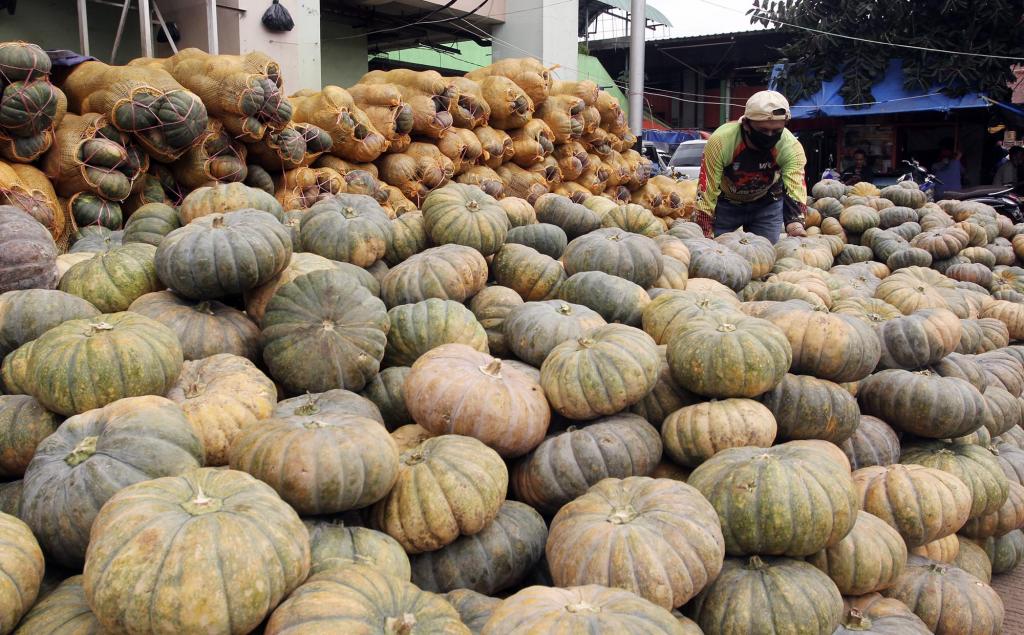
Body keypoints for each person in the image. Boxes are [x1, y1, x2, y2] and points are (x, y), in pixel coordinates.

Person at [693, 90, 807, 243]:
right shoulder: (721, 141)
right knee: (719, 253)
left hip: (767, 204)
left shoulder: (790, 147)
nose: (769, 135)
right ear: (746, 124)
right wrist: (705, 231)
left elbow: (795, 186)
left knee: (765, 254)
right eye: (763, 130)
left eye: (776, 131)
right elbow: (707, 187)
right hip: (726, 204)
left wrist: (795, 222)